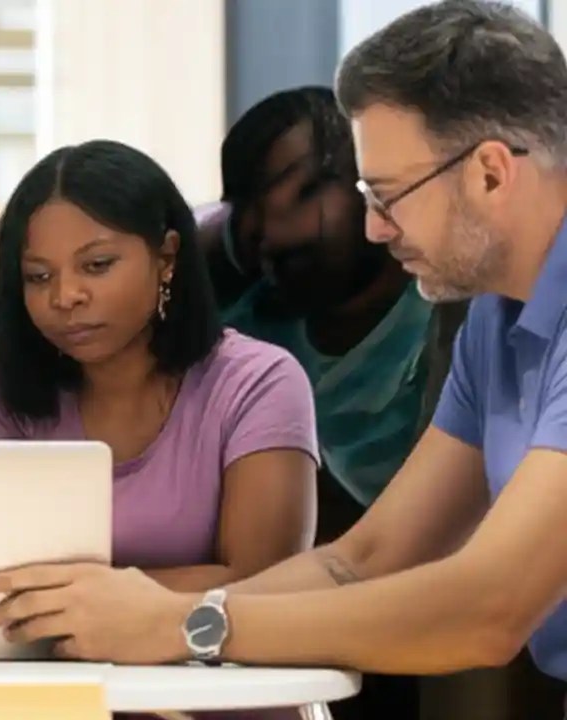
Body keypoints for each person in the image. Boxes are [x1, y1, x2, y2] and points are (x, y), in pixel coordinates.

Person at [0, 2, 567, 717]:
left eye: (388, 197)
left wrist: (185, 625)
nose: (375, 230)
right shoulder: (494, 319)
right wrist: (151, 621)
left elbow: (489, 609)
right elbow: (362, 559)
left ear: (491, 174)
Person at [0, 139, 319, 718]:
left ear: (167, 256)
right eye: (38, 276)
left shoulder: (259, 382)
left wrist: (83, 600)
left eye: (97, 265)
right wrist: (160, 590)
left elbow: (265, 583)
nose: (65, 296)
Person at [197, 86, 466, 719]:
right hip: (304, 600)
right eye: (249, 208)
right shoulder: (245, 333)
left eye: (302, 193)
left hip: (433, 597)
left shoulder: (446, 304)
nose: (269, 232)